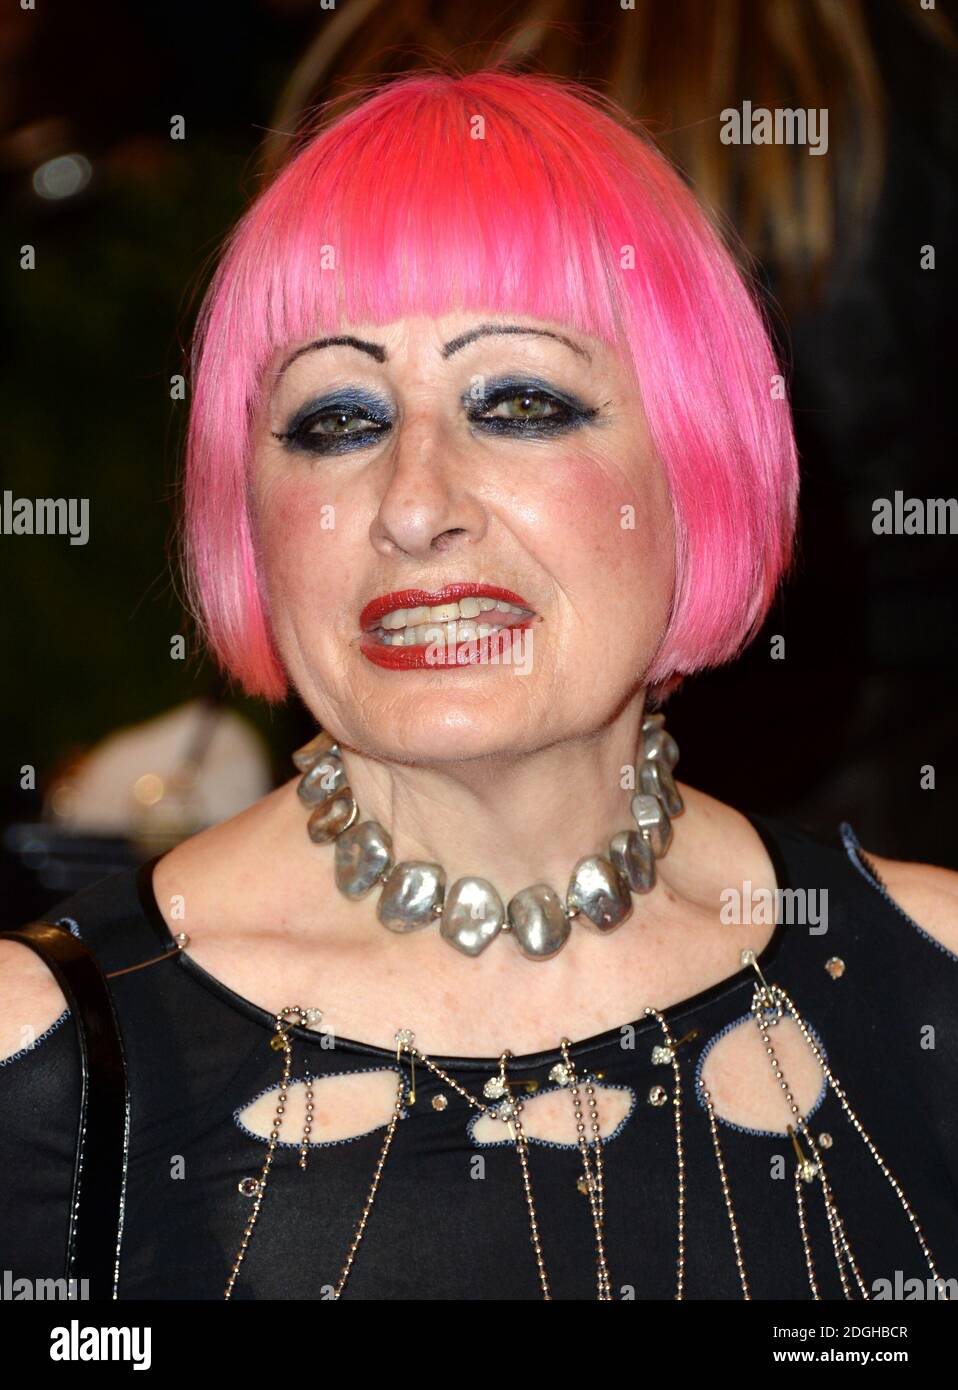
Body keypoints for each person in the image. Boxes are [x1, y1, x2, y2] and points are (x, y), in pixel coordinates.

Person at [2, 68, 956, 1302]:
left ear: (695, 463)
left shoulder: (935, 982)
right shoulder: (42, 1058)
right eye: (336, 419)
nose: (411, 505)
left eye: (518, 401)